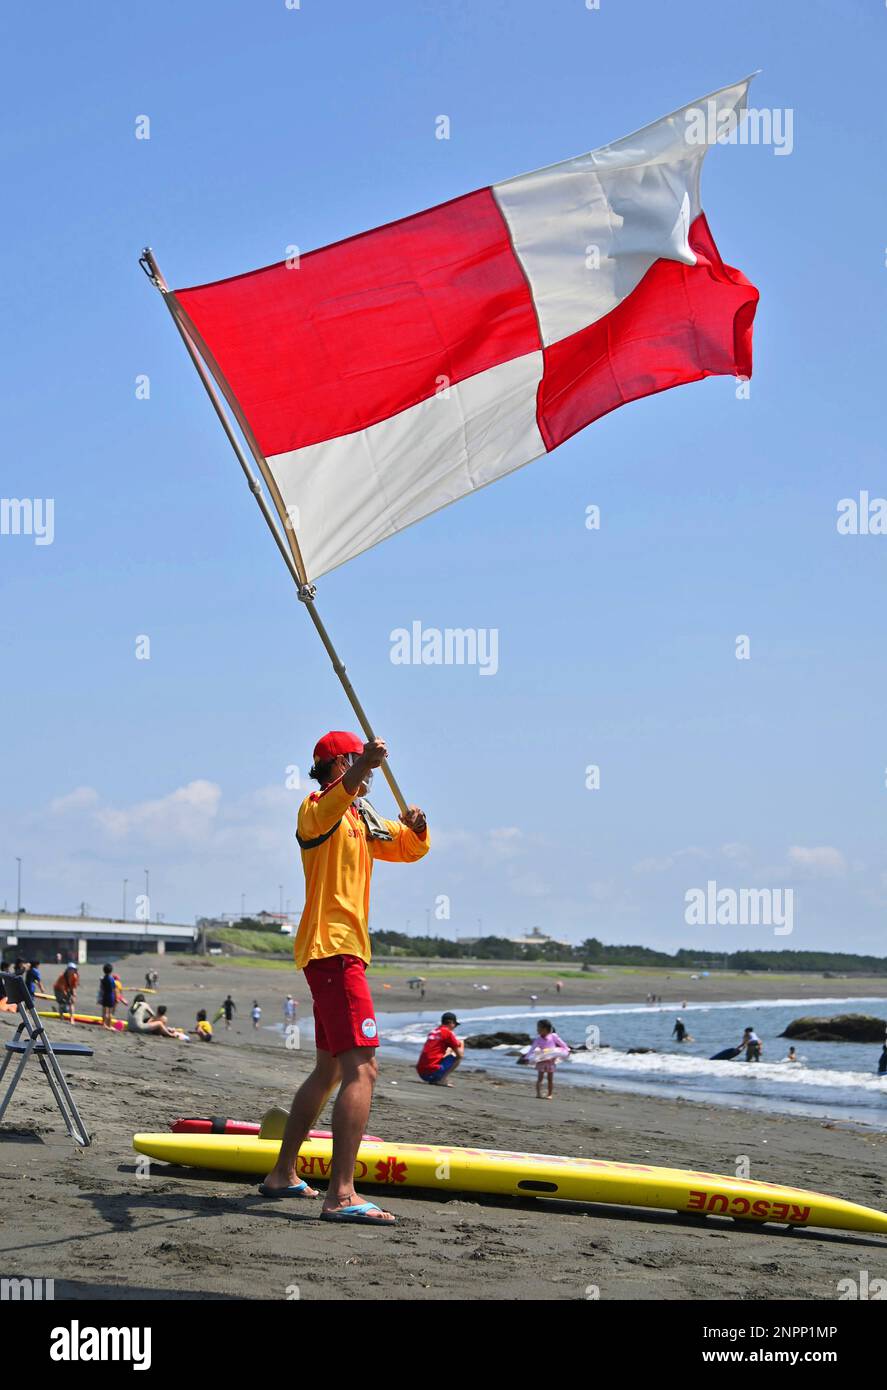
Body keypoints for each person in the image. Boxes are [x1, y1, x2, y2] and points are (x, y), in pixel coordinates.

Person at [260, 731, 428, 1225]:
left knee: (330, 1069)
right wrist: (361, 768)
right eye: (362, 764)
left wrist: (418, 828)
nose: (372, 773)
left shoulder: (362, 816)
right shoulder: (317, 808)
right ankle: (342, 1194)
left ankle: (282, 1174)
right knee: (364, 1069)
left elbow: (409, 850)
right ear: (343, 763)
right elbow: (332, 805)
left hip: (344, 952)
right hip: (332, 950)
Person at [416, 1012, 464, 1085]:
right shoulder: (447, 1033)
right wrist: (460, 1044)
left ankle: (438, 1077)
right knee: (460, 1048)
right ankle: (442, 1080)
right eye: (455, 1025)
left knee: (449, 1047)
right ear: (451, 1022)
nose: (454, 1027)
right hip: (431, 1073)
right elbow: (460, 1055)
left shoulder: (433, 1031)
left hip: (421, 1073)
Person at [526, 1020, 570, 1099]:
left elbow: (562, 1043)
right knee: (540, 1078)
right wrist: (528, 1057)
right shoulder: (538, 1039)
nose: (537, 1030)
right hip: (541, 1060)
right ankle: (538, 1093)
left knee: (550, 1079)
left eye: (539, 1028)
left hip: (551, 1061)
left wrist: (567, 1049)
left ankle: (549, 1094)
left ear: (545, 1029)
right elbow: (532, 1049)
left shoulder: (553, 1036)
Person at [98, 963, 118, 1029]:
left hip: (104, 995)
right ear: (111, 970)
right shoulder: (111, 979)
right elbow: (114, 989)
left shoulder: (103, 979)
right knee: (109, 1012)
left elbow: (102, 988)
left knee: (104, 1011)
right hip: (110, 995)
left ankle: (104, 1024)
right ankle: (109, 1025)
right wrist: (116, 997)